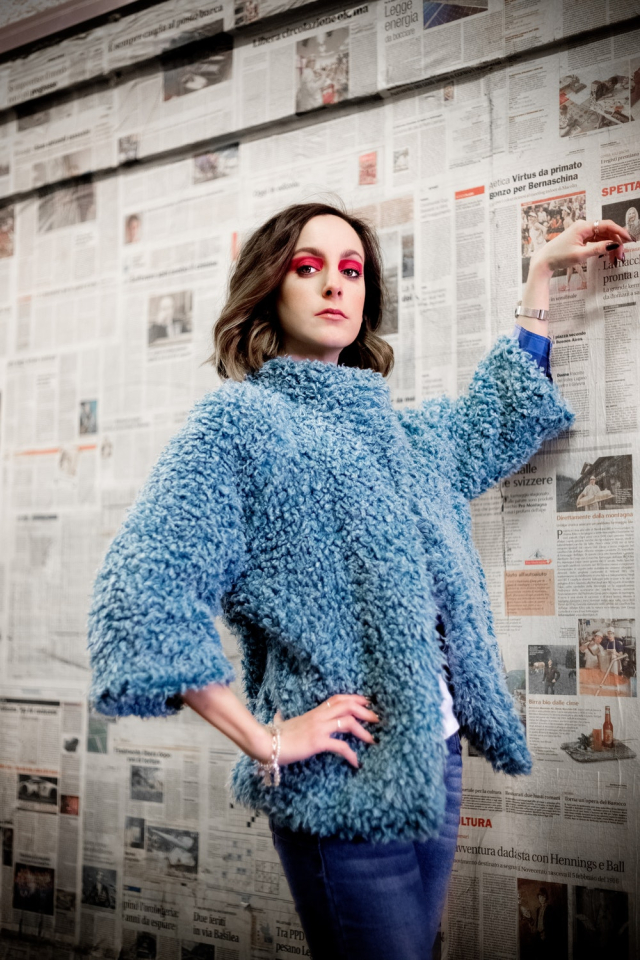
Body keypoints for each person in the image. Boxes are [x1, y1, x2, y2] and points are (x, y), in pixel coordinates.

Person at [87, 203, 631, 959]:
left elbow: (495, 417)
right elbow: (141, 596)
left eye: (351, 270)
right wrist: (267, 740)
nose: (334, 285)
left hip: (435, 758)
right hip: (337, 778)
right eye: (308, 267)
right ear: (270, 288)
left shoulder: (402, 437)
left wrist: (541, 273)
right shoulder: (239, 424)